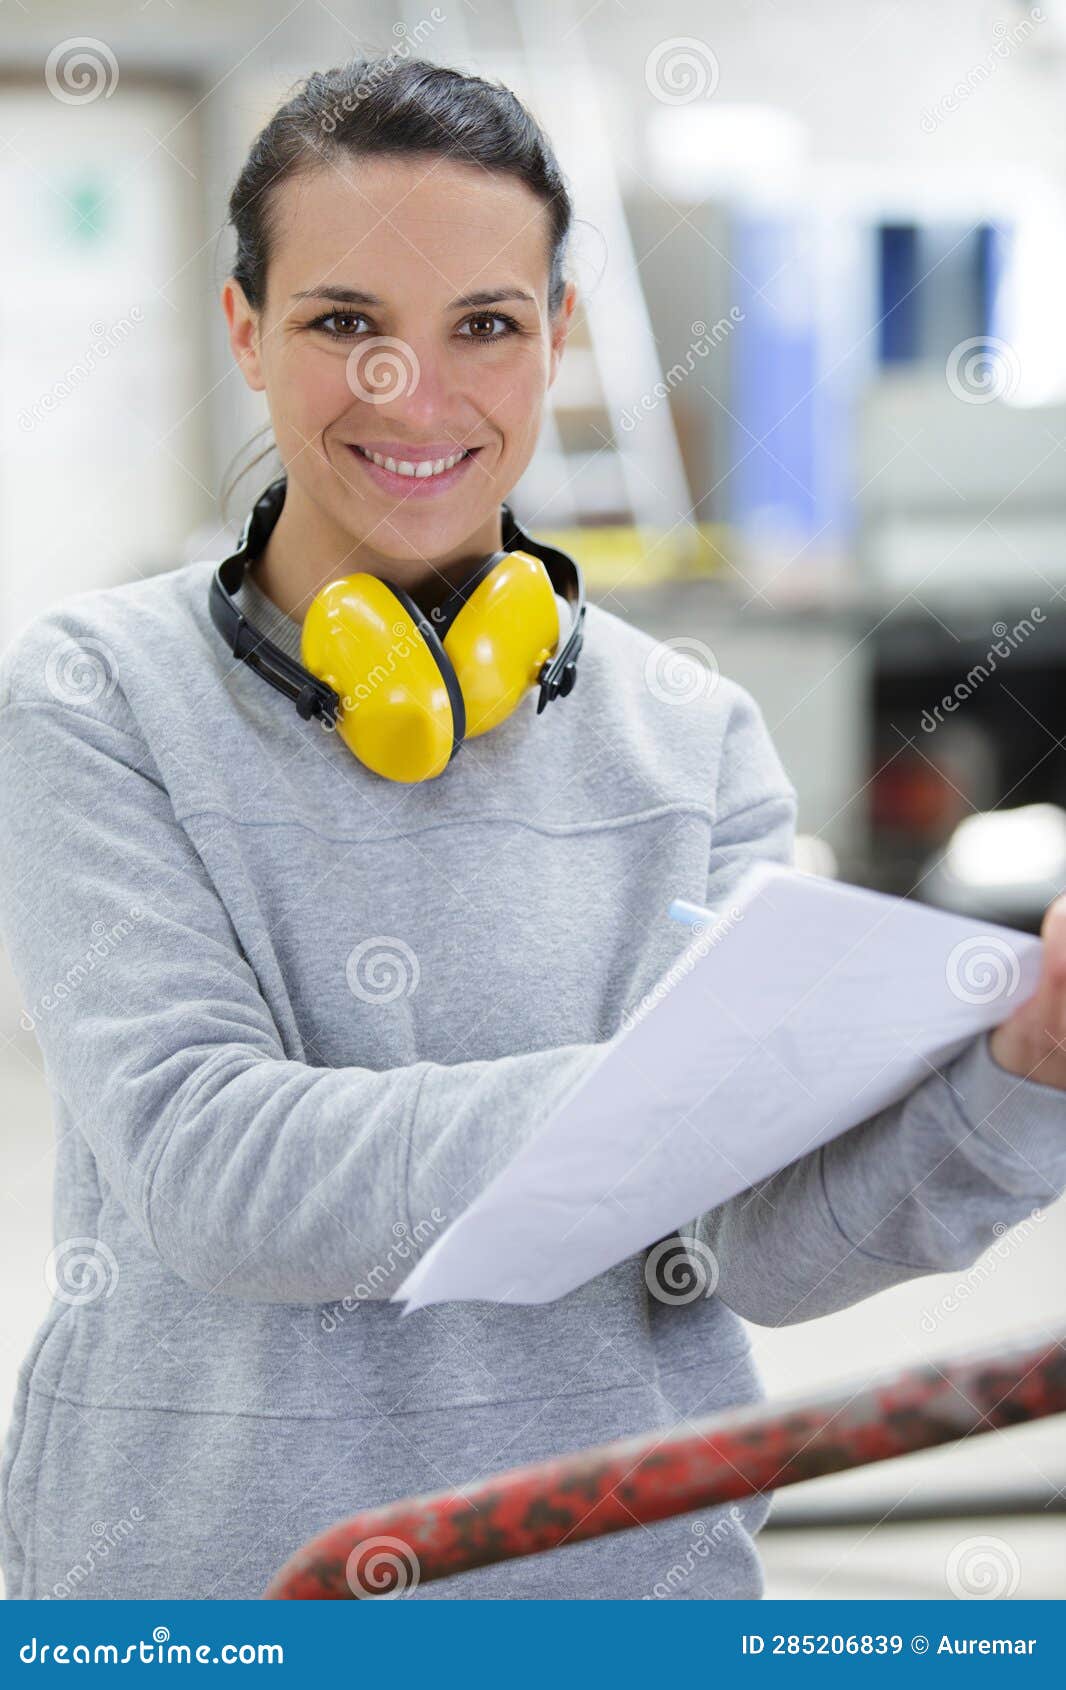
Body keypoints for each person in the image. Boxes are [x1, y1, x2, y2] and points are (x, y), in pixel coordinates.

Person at [0, 55, 1063, 1604]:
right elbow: (209, 1169)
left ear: (556, 337)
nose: (410, 396)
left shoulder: (688, 735)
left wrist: (1016, 1085)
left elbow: (755, 1248)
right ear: (247, 331)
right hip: (213, 1589)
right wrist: (679, 1093)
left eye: (484, 326)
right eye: (343, 322)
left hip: (622, 1591)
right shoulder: (97, 693)